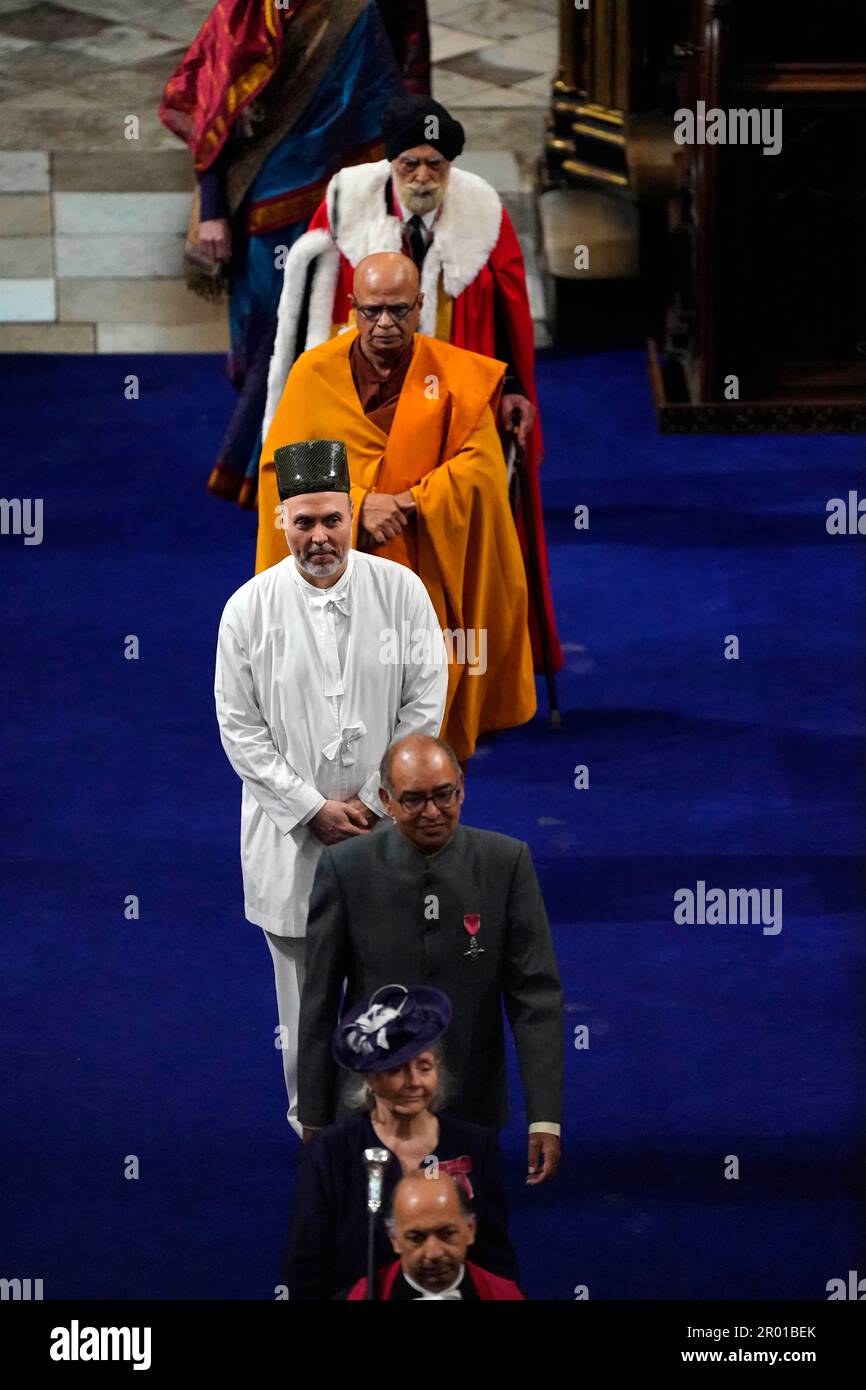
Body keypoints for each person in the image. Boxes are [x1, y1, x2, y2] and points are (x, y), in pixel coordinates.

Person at [263, 92, 562, 672]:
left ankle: (465, 674)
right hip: (357, 395)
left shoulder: (482, 211)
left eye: (436, 165)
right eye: (410, 164)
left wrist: (518, 390)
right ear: (391, 163)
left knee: (462, 512)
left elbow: (510, 310)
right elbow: (308, 290)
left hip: (449, 403)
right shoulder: (347, 200)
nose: (423, 177)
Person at [214, 441, 447, 1133]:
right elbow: (239, 730)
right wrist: (311, 807)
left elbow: (425, 702)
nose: (319, 538)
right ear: (281, 519)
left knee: (391, 990)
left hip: (385, 834)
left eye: (332, 521)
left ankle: (396, 1125)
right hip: (291, 844)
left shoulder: (400, 592)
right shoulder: (247, 611)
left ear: (353, 513)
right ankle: (313, 1130)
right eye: (304, 523)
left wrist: (381, 801)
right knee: (305, 1004)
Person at [257, 251, 536, 762]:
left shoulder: (455, 376)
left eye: (399, 310)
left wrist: (406, 502)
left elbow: (480, 470)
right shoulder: (314, 374)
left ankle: (424, 774)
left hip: (427, 560)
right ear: (352, 306)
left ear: (421, 306)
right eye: (372, 311)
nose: (385, 324)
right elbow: (282, 471)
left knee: (425, 690)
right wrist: (360, 507)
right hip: (345, 566)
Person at [158, 0, 402, 506]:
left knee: (300, 341)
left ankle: (277, 473)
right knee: (254, 339)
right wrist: (211, 207)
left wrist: (379, 196)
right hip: (254, 206)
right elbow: (206, 110)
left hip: (326, 203)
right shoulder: (240, 13)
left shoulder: (353, 14)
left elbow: (381, 100)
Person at [298, 733, 564, 1182]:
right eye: (415, 799)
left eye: (445, 795)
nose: (433, 812)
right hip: (373, 1107)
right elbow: (321, 1003)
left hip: (471, 1108)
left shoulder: (506, 863)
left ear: (462, 788)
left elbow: (534, 997)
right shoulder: (345, 869)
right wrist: (316, 1117)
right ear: (386, 799)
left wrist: (544, 1117)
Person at [284, 983, 518, 1299]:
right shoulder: (330, 1152)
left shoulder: (476, 1145)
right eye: (396, 1070)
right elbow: (306, 1269)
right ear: (369, 1077)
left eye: (424, 1067)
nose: (414, 1083)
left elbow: (495, 1263)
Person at [345, 1171, 524, 1299]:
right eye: (416, 1238)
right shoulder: (361, 1295)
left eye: (446, 1234)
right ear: (395, 1239)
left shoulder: (506, 1295)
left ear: (470, 1229)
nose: (433, 1253)